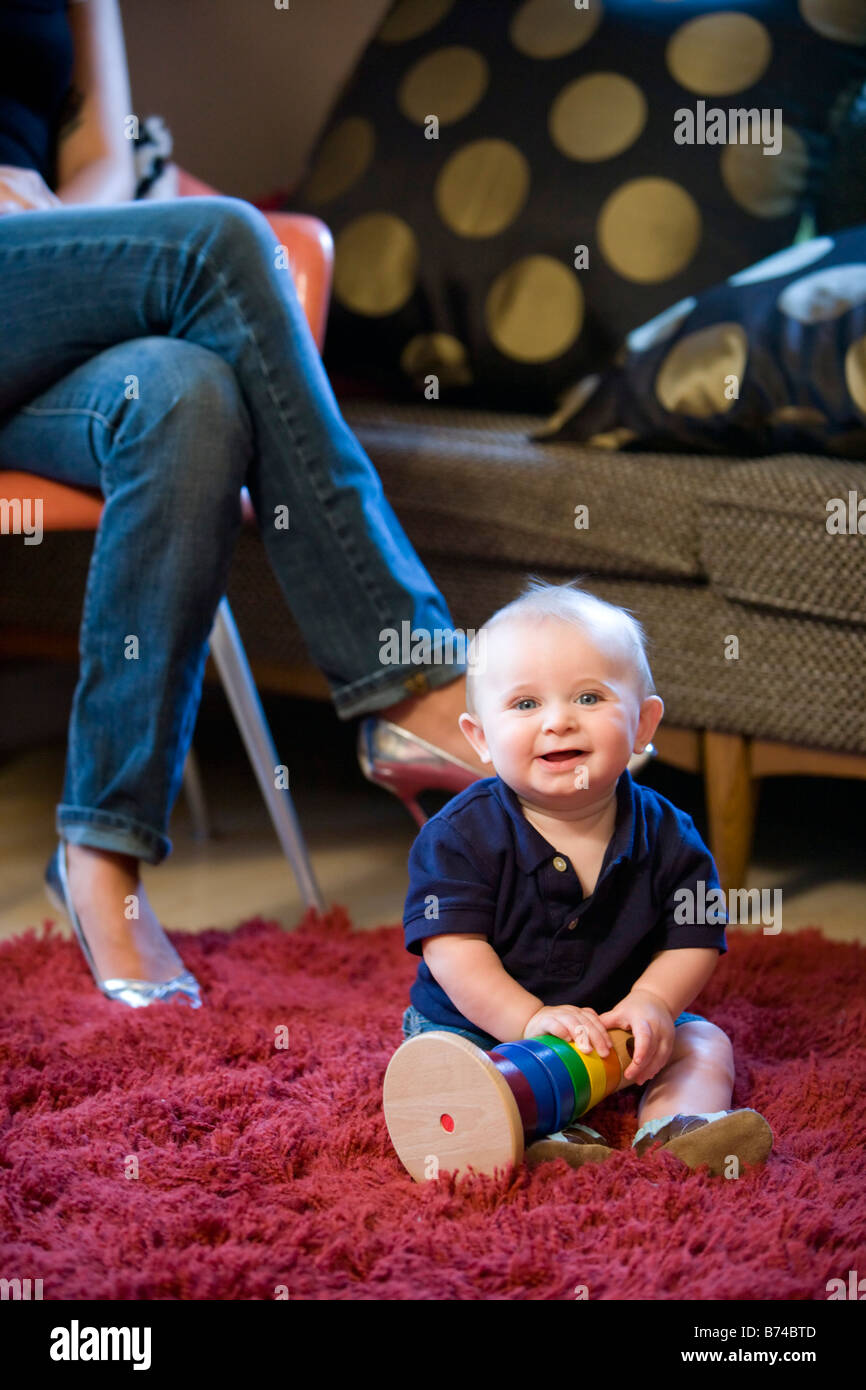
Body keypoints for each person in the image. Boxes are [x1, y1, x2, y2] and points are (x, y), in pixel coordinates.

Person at [0, 0, 486, 1007]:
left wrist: (67, 228)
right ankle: (405, 678)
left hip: (30, 290)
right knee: (222, 238)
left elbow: (101, 142)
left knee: (188, 400)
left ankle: (99, 853)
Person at [399, 578, 774, 1175]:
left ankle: (679, 1128)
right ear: (480, 739)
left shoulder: (668, 832)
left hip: (617, 1027)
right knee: (460, 1072)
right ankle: (551, 1133)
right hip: (486, 1024)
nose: (558, 723)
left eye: (589, 698)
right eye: (525, 705)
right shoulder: (459, 837)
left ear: (644, 724)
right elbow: (455, 951)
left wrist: (653, 1001)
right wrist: (527, 1021)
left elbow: (695, 937)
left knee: (705, 1043)